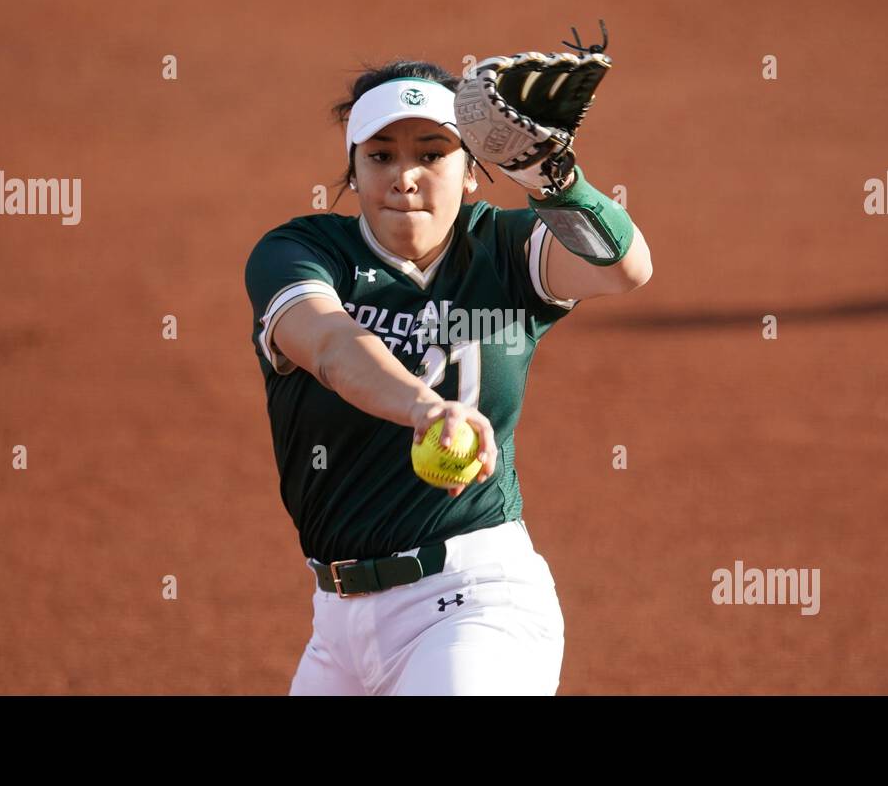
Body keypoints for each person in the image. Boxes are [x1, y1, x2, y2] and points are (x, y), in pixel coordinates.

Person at [244, 58, 652, 695]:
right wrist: (422, 407)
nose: (404, 177)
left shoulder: (505, 251)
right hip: (336, 631)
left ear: (470, 174)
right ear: (352, 170)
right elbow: (328, 343)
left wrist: (556, 180)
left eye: (432, 154)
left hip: (475, 605)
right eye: (379, 156)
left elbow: (621, 268)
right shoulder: (302, 252)